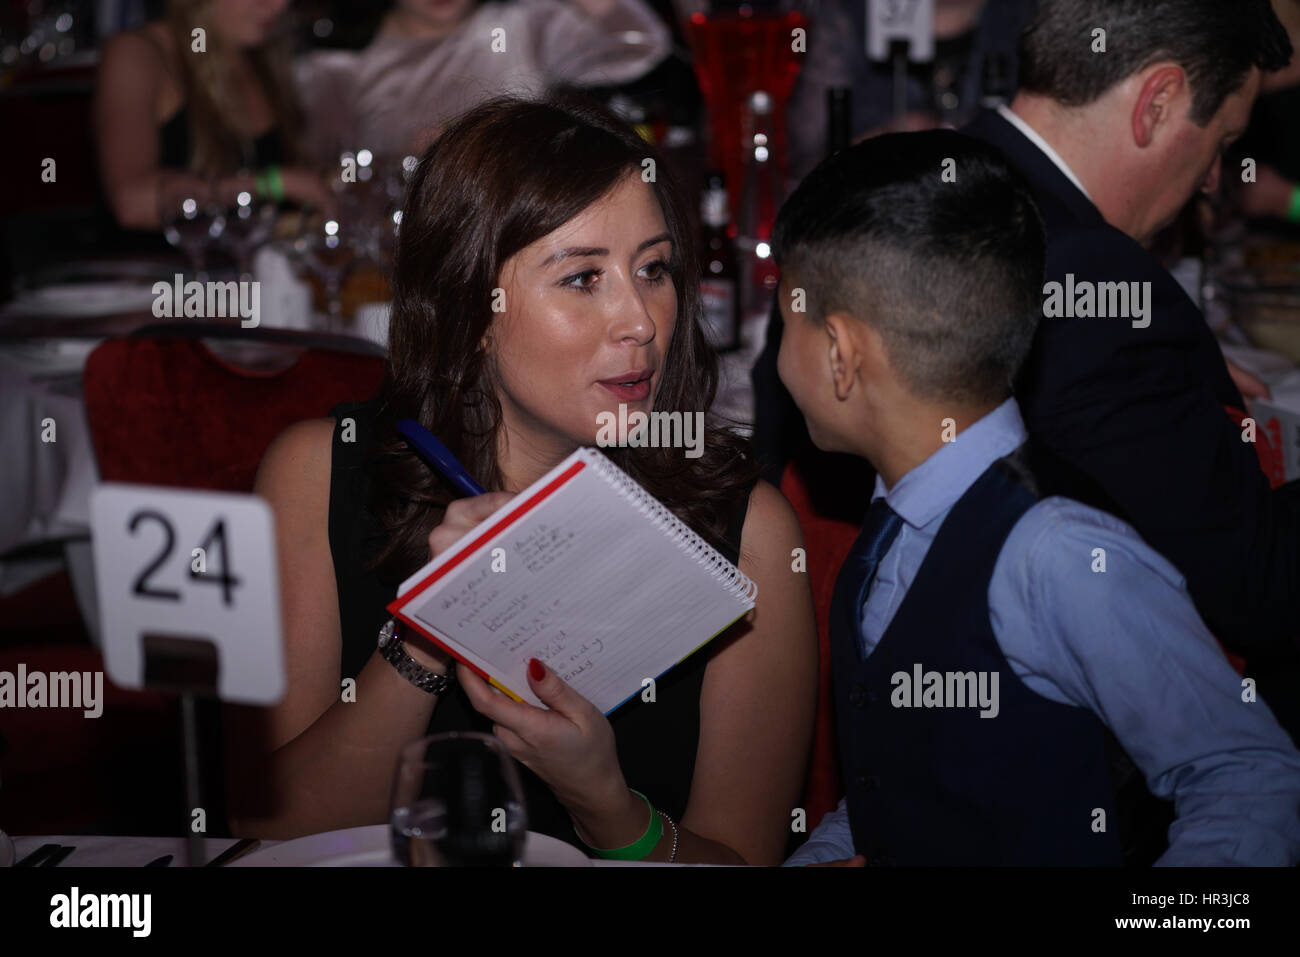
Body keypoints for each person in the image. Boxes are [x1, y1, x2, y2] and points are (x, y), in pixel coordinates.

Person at [230, 93, 818, 865]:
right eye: (582, 279)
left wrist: (608, 804)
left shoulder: (745, 532)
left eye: (653, 268)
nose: (640, 319)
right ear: (471, 307)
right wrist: (435, 626)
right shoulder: (319, 471)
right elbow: (269, 833)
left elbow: (744, 858)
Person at [773, 130, 1300, 866]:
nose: (774, 357)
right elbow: (896, 779)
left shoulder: (1058, 555)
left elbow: (1251, 778)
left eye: (784, 322)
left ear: (840, 355)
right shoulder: (896, 516)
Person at [960, 0, 1300, 735]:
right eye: (1220, 141)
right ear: (1159, 101)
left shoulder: (952, 172)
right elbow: (1260, 591)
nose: (1214, 179)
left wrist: (1180, 385)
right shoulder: (1091, 279)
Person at [296, 0, 672, 161]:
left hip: (520, 245)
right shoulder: (339, 68)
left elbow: (641, 43)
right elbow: (326, 189)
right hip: (393, 269)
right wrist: (402, 164)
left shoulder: (519, 28)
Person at [94, 0, 332, 230]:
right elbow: (132, 203)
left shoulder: (264, 55)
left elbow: (299, 178)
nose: (279, 4)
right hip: (169, 269)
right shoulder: (138, 54)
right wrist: (269, 184)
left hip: (257, 267)